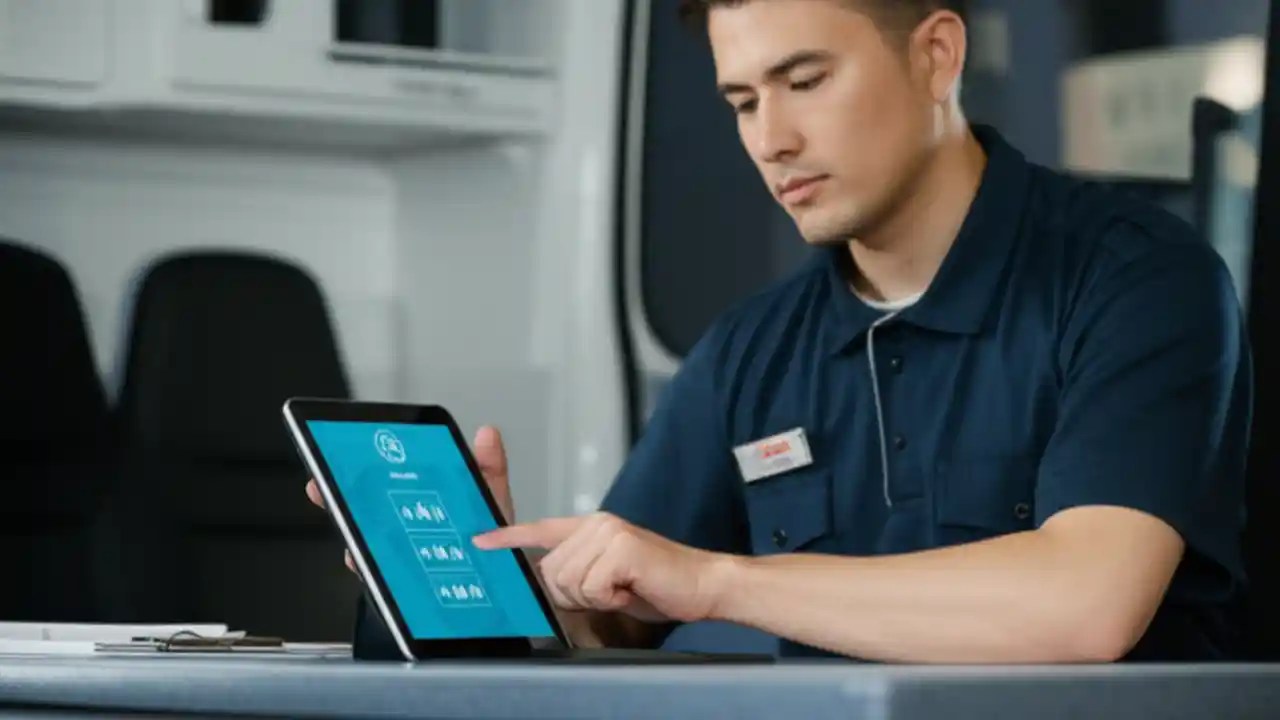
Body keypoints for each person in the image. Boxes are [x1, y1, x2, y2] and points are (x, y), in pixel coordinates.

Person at [309, 0, 1252, 662]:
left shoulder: (1134, 281)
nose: (771, 140)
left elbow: (1085, 607)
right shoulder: (751, 351)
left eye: (804, 81)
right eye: (743, 103)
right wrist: (491, 578)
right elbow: (620, 617)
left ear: (937, 56)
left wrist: (720, 581)